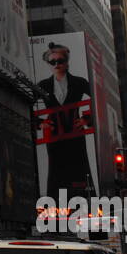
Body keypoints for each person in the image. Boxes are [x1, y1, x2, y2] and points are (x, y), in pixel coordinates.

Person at [34, 43, 93, 197]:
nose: (57, 65)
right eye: (52, 62)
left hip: (75, 133)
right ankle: (55, 204)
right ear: (48, 64)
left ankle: (85, 201)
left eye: (60, 61)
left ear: (67, 62)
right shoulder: (43, 85)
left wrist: (86, 119)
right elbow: (24, 103)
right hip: (54, 135)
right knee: (55, 170)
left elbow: (99, 101)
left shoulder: (80, 82)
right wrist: (40, 123)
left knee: (80, 169)